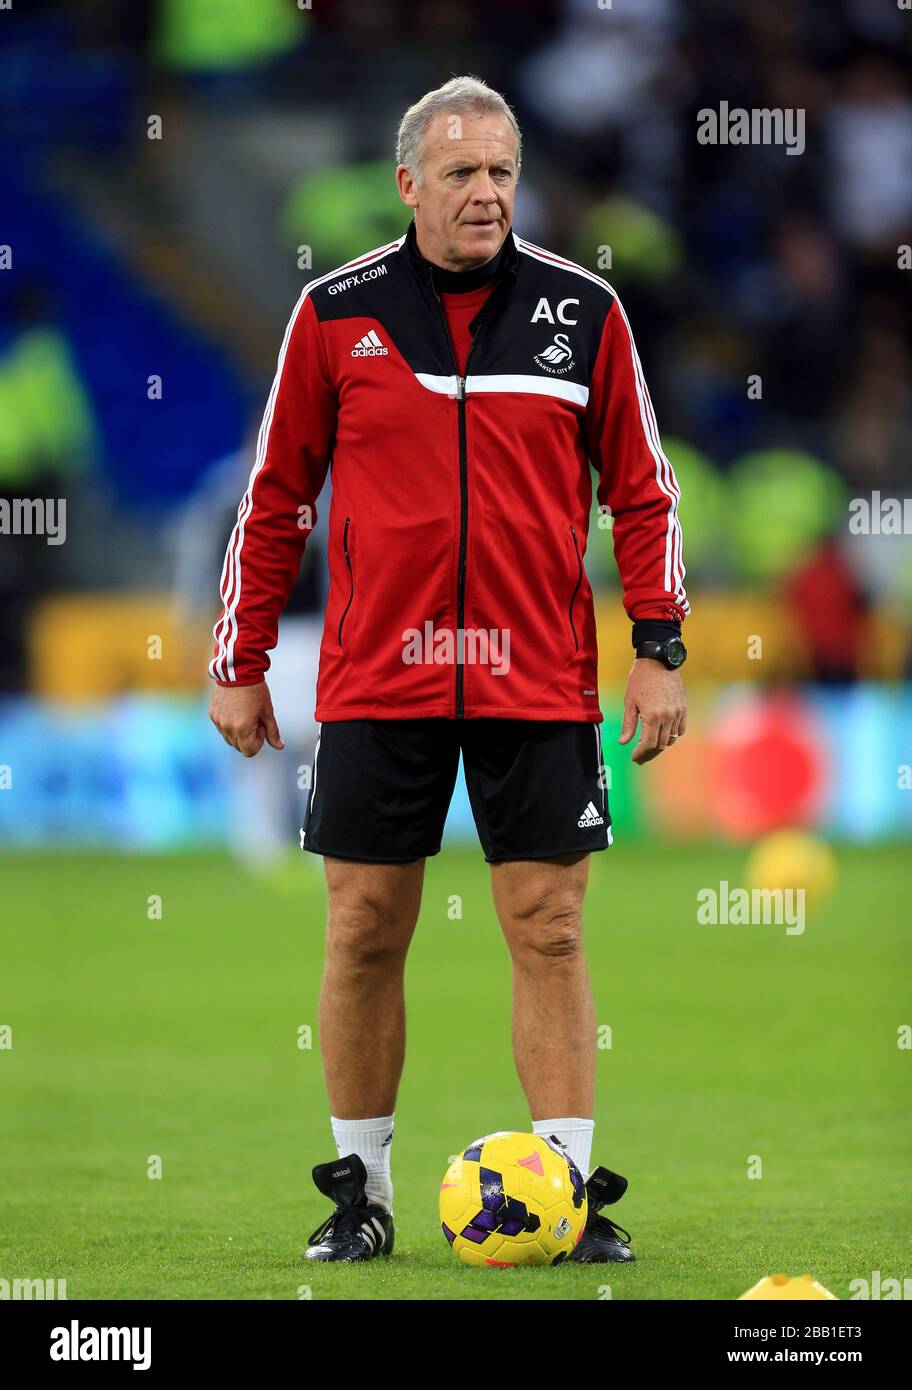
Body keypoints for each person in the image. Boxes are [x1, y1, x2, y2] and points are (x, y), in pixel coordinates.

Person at [208, 76, 689, 1264]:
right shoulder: (333, 314)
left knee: (552, 927)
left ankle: (569, 1192)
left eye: (502, 173)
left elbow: (644, 489)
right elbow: (276, 497)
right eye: (463, 173)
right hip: (380, 676)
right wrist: (240, 659)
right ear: (409, 183)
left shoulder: (589, 313)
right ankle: (359, 1193)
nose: (487, 194)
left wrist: (661, 647)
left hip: (540, 677)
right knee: (365, 927)